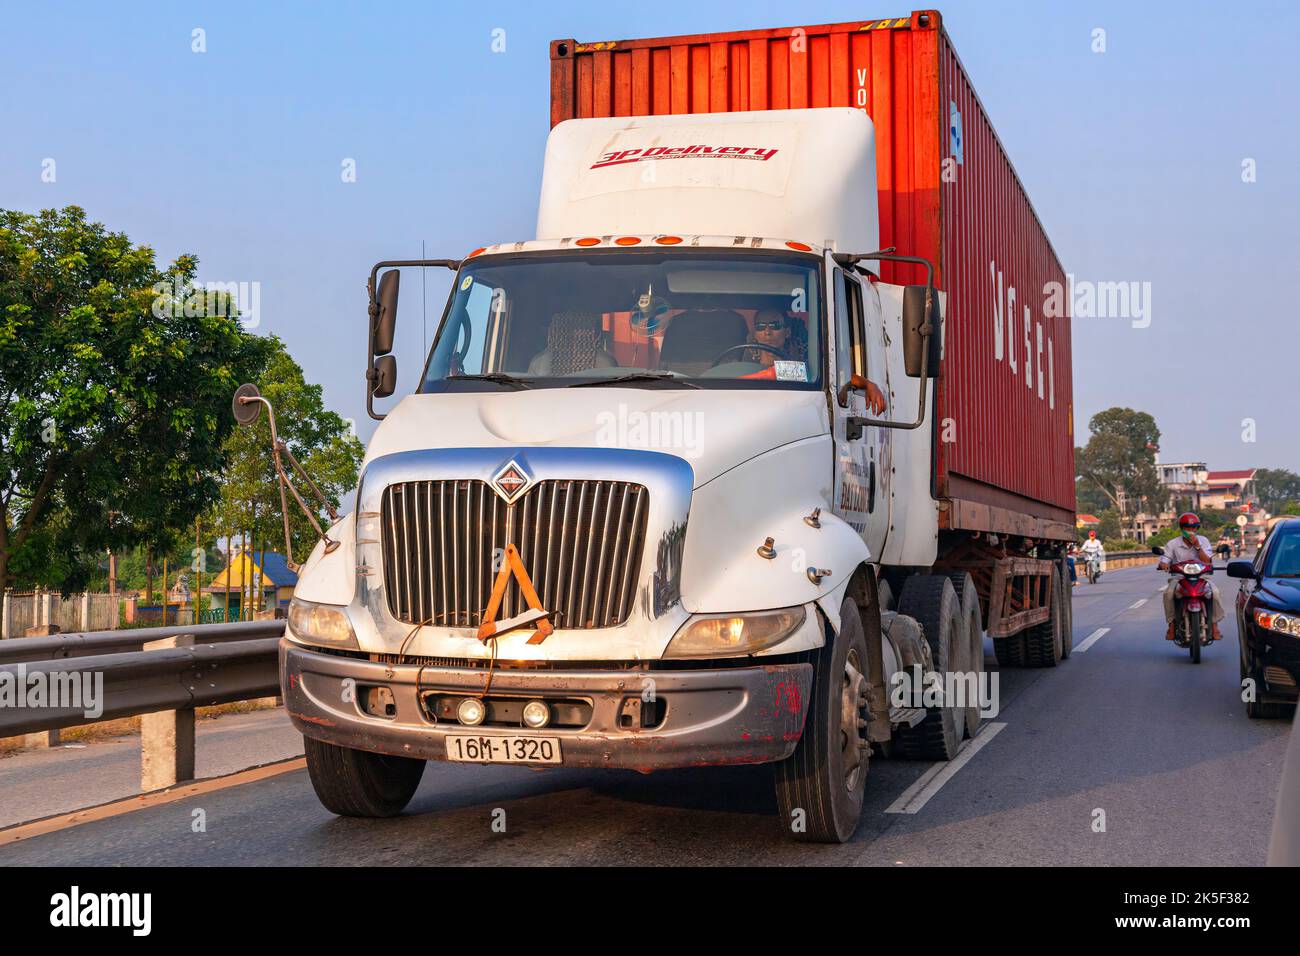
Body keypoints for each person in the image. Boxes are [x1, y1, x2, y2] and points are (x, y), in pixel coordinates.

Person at [1158, 512, 1225, 641]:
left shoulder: (1203, 541)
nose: (1191, 531)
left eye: (1194, 528)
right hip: (1179, 578)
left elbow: (1207, 561)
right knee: (1168, 593)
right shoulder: (1172, 544)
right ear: (1182, 529)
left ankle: (1214, 625)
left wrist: (1197, 546)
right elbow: (1165, 560)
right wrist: (1163, 564)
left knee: (1215, 593)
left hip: (1202, 577)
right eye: (1188, 528)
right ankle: (1171, 624)